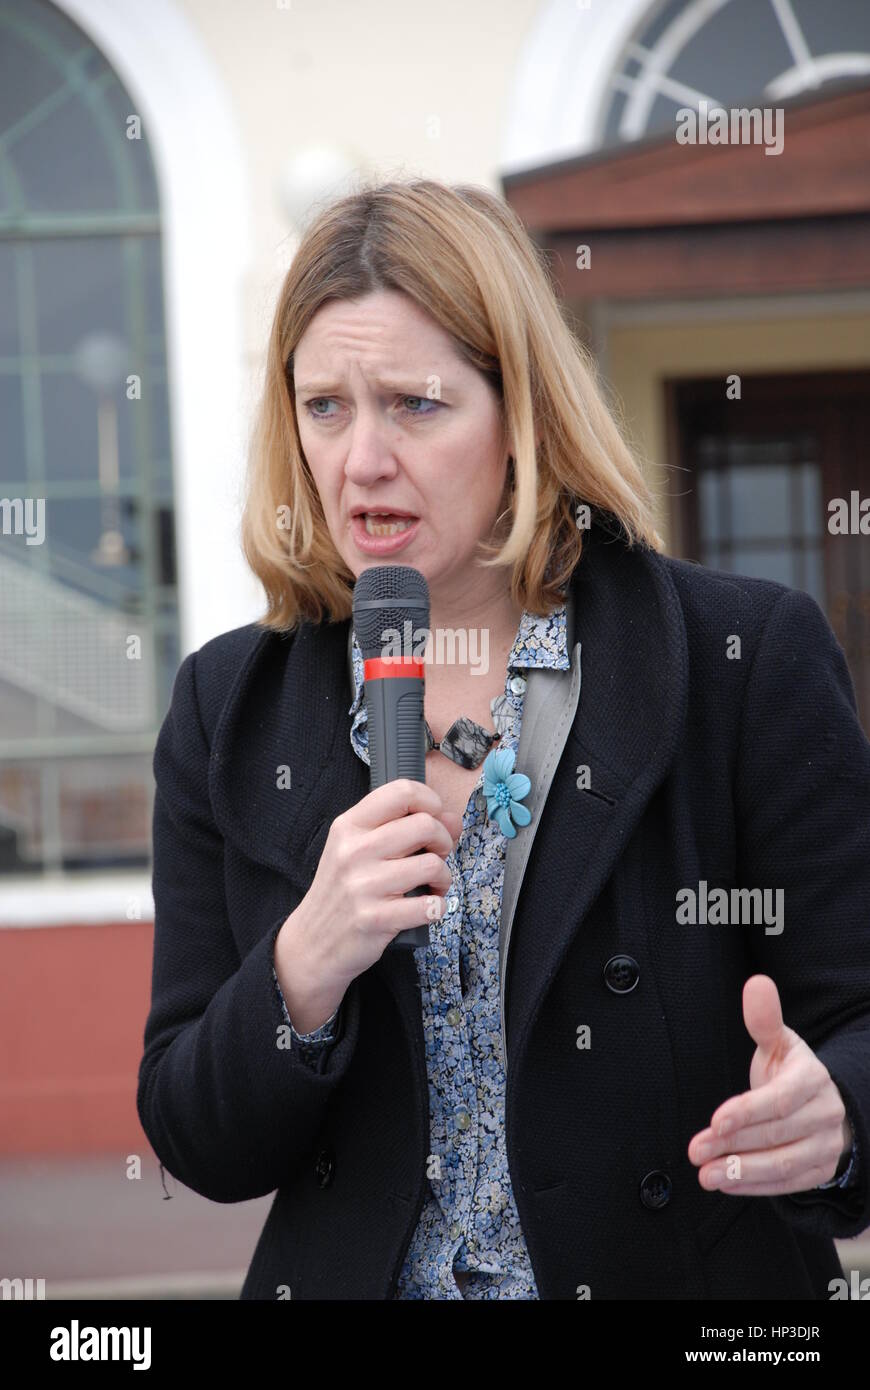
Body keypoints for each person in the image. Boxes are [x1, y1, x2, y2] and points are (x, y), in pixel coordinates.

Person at [137, 178, 870, 1300]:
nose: (362, 459)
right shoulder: (226, 706)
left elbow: (858, 1016)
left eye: (416, 406)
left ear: (521, 414)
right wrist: (302, 967)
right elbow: (195, 1135)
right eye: (324, 405)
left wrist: (842, 1109)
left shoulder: (744, 657)